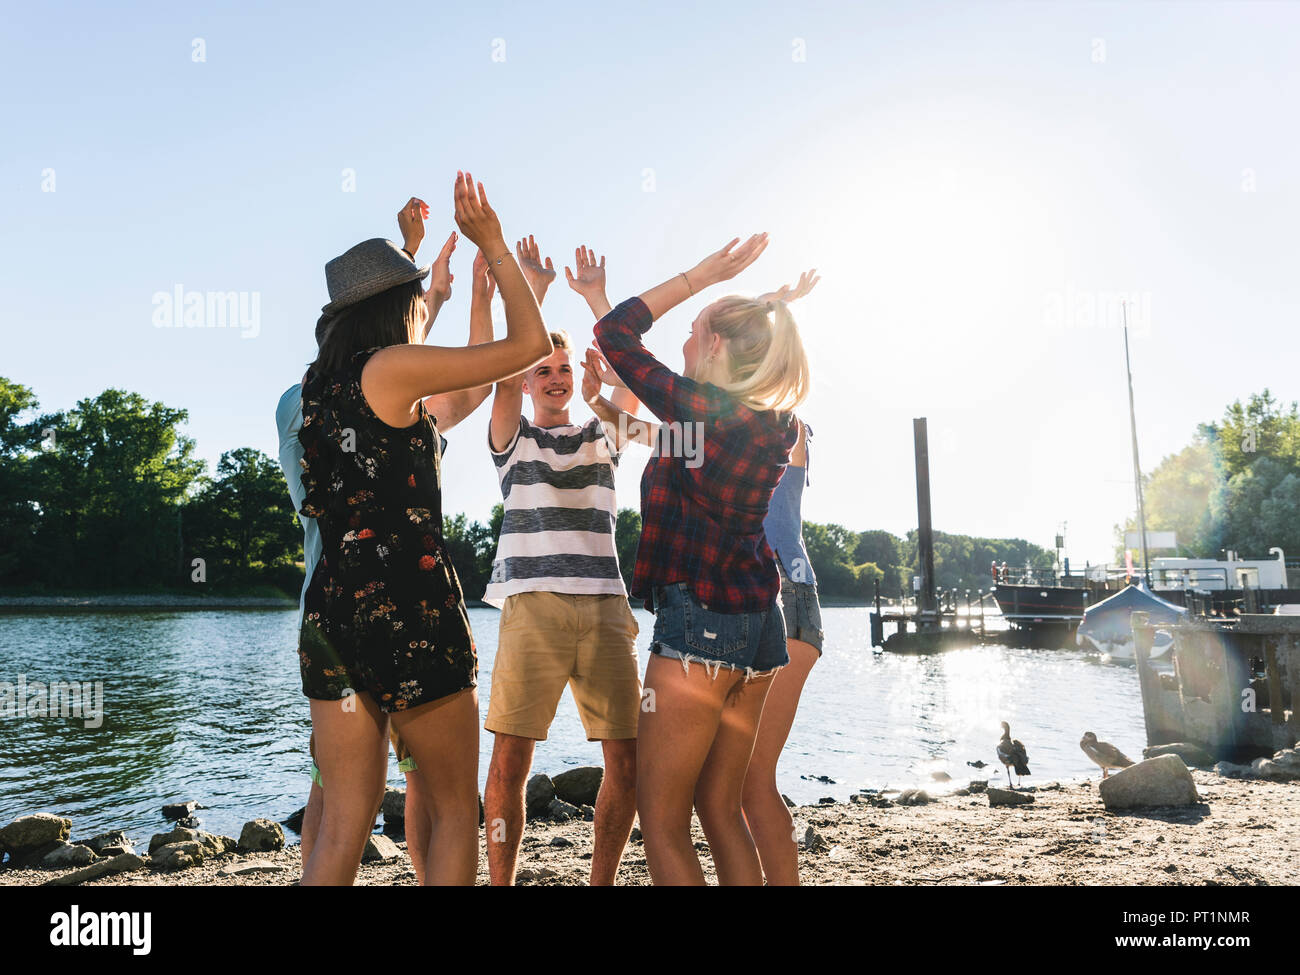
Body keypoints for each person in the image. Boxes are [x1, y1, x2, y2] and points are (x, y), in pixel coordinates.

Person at [296, 173, 552, 886]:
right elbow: (529, 345)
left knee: (343, 819)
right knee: (448, 810)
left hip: (332, 614)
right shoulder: (395, 370)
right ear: (396, 307)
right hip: (410, 606)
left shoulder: (322, 385)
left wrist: (409, 255)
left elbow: (444, 376)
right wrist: (494, 246)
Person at [588, 233, 810, 886]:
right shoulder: (762, 423)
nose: (682, 342)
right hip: (759, 629)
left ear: (714, 346)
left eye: (692, 332)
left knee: (662, 823)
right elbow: (662, 437)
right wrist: (604, 405)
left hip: (700, 627)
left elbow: (616, 330)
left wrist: (699, 276)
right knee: (719, 807)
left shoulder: (706, 412)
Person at [480, 236, 642, 886]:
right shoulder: (511, 439)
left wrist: (598, 299)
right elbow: (499, 378)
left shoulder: (602, 435)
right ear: (527, 378)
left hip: (605, 611)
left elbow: (634, 391)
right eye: (542, 369)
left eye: (564, 369)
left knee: (625, 764)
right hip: (532, 610)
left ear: (576, 377)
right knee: (508, 764)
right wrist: (536, 291)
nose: (554, 377)